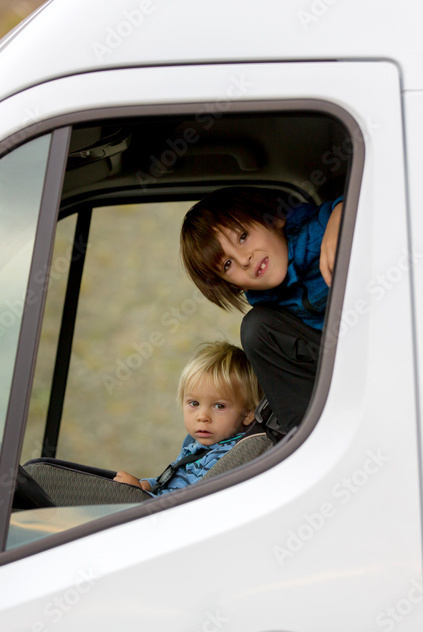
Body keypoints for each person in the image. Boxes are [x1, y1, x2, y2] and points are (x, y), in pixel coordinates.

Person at [179, 187, 344, 432]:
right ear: (234, 286)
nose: (244, 259)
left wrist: (341, 214)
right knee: (256, 327)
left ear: (274, 217)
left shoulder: (322, 231)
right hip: (344, 368)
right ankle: (310, 436)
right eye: (227, 264)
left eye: (243, 237)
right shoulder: (269, 317)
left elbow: (372, 197)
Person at [114, 341, 262, 495]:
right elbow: (174, 481)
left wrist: (137, 493)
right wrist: (148, 485)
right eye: (194, 403)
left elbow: (185, 502)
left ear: (248, 414)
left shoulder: (226, 458)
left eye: (219, 406)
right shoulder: (197, 444)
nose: (202, 417)